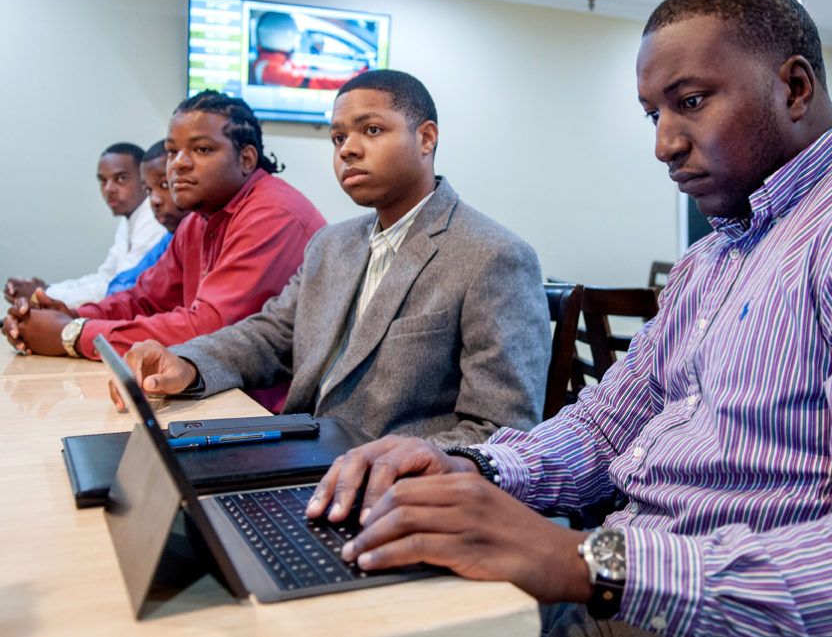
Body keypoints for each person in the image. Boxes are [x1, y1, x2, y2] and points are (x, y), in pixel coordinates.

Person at [303, 0, 832, 636]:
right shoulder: (716, 255)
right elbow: (607, 426)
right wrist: (477, 468)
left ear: (795, 89)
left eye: (690, 102)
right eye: (653, 113)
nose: (663, 143)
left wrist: (591, 561)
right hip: (628, 582)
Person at [109, 70, 549, 446]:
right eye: (338, 136)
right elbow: (271, 336)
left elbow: (500, 431)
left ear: (426, 138)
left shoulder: (494, 256)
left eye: (371, 130)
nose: (347, 149)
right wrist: (187, 363)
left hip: (397, 495)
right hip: (299, 455)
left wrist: (398, 464)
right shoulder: (331, 244)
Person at [3, 91, 326, 412]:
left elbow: (208, 327)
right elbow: (145, 297)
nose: (179, 165)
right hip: (214, 396)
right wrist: (73, 314)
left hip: (268, 413)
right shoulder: (199, 219)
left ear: (246, 158)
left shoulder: (272, 213)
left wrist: (72, 334)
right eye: (173, 151)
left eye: (201, 149)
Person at [4, 142, 166, 308]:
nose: (109, 189)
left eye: (121, 178)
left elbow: (121, 290)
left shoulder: (156, 218)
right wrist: (47, 289)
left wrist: (44, 294)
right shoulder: (130, 219)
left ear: (144, 178)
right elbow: (105, 277)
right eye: (103, 181)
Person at [105, 140, 190, 295]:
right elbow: (127, 283)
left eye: (165, 185)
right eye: (148, 190)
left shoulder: (192, 231)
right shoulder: (170, 239)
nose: (154, 201)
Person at [251, 11, 356, 91]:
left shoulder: (275, 63)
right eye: (295, 36)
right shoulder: (270, 69)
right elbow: (317, 81)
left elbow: (311, 70)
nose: (296, 41)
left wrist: (352, 74)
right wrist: (355, 80)